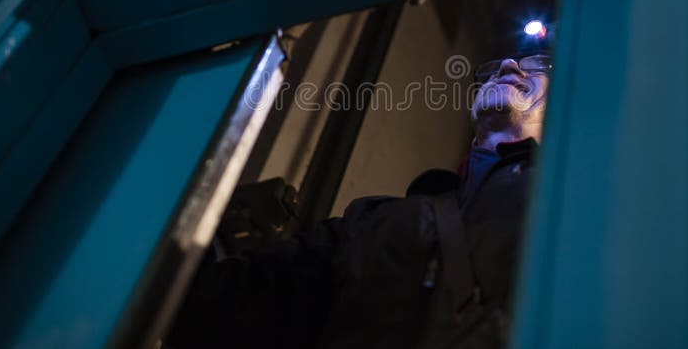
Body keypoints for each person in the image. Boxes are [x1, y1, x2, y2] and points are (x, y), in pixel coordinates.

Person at [167, 54, 551, 349]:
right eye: (498, 69)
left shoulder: (570, 206)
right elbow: (224, 305)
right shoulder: (372, 220)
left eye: (540, 67)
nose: (507, 65)